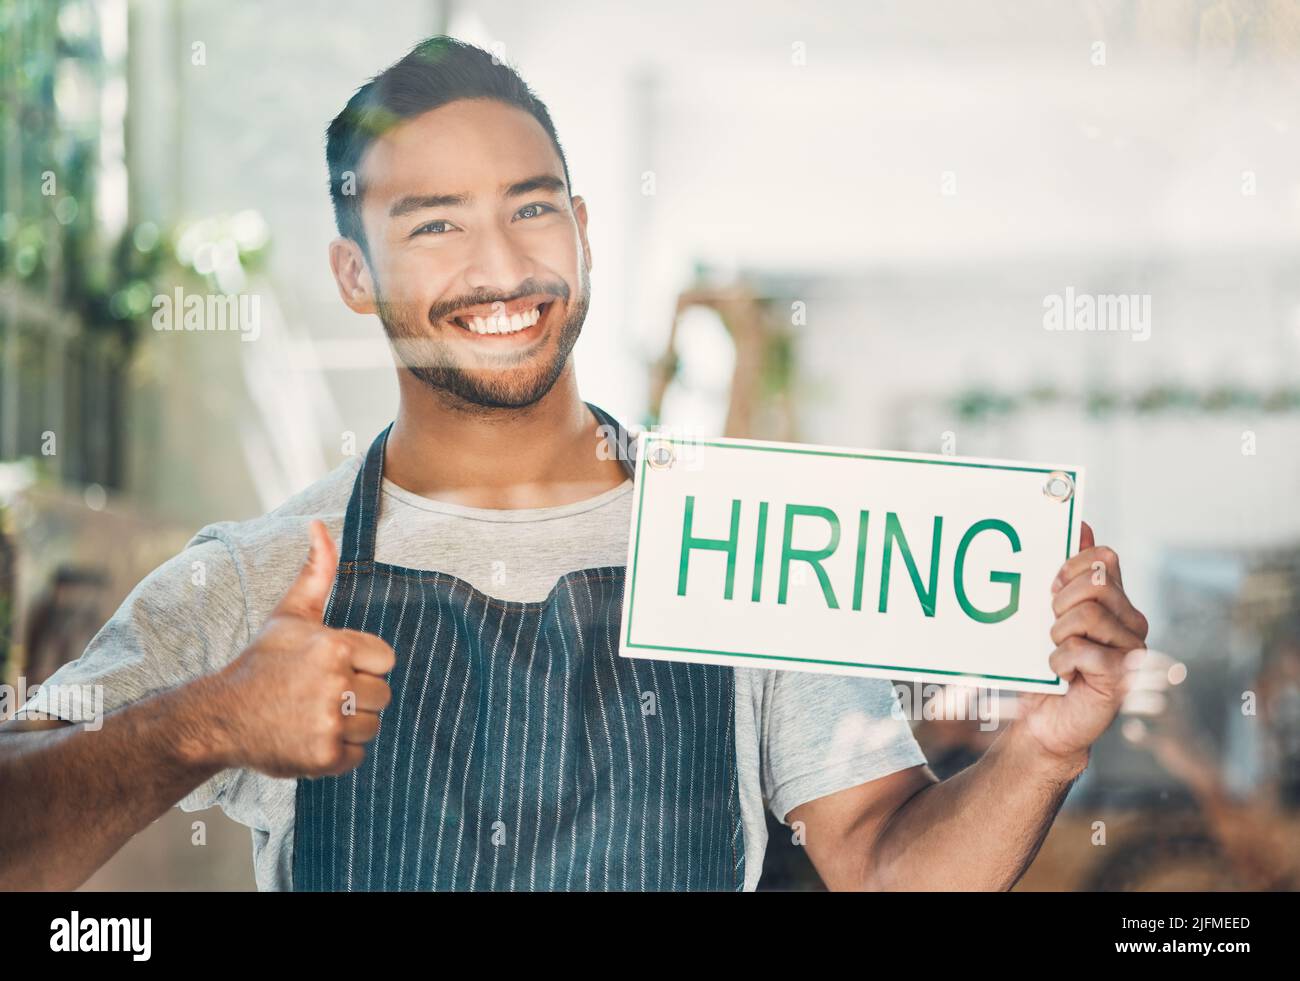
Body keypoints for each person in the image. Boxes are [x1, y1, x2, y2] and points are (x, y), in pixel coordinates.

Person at [0, 35, 1149, 892]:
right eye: (434, 224)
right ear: (354, 275)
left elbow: (886, 864)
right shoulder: (254, 580)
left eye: (530, 208)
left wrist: (1041, 751)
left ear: (584, 229)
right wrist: (197, 724)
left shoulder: (746, 544)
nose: (501, 266)